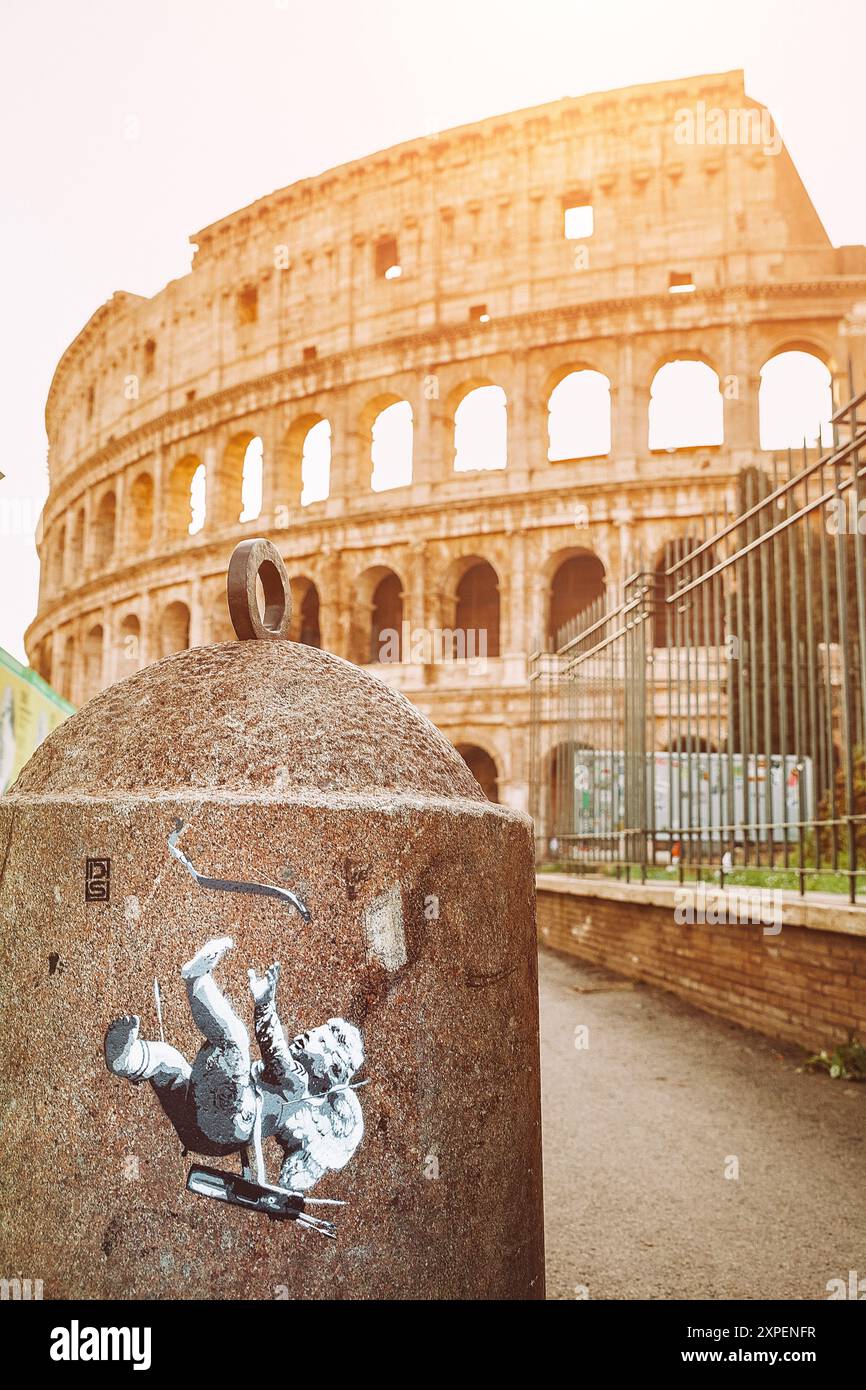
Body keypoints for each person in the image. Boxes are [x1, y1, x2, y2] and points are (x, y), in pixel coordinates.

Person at [104, 936, 364, 1192]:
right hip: (204, 1132)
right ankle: (127, 1058)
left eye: (321, 1040)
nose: (309, 1034)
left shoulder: (298, 1085)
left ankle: (198, 979)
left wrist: (264, 1004)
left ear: (329, 1071)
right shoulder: (295, 1100)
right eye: (316, 1031)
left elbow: (273, 1051)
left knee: (235, 1038)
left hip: (227, 1120)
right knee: (167, 1060)